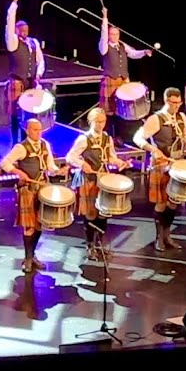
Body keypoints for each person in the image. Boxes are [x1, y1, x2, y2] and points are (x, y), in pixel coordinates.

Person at [133, 87, 186, 251]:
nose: (177, 106)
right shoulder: (156, 119)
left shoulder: (182, 117)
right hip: (161, 165)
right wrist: (153, 149)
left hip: (177, 164)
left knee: (174, 202)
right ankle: (159, 239)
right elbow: (137, 137)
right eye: (173, 103)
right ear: (166, 101)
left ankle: (167, 235)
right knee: (161, 203)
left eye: (179, 103)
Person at [65, 107, 131, 260]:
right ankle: (90, 246)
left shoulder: (107, 138)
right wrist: (82, 164)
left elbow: (111, 157)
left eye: (103, 121)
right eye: (97, 122)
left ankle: (100, 244)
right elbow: (70, 157)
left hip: (104, 179)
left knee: (103, 212)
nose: (101, 124)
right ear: (90, 122)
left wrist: (121, 163)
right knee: (91, 214)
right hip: (89, 180)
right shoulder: (84, 139)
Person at [0, 118, 66, 272]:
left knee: (39, 224)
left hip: (43, 188)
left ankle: (33, 255)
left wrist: (57, 171)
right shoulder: (21, 147)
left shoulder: (45, 145)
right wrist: (19, 172)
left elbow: (49, 166)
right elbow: (5, 163)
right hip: (28, 190)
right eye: (35, 130)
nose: (39, 132)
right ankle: (27, 259)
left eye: (40, 129)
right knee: (29, 226)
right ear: (28, 130)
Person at [97, 5, 151, 144]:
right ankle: (108, 137)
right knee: (109, 111)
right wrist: (105, 17)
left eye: (116, 34)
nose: (114, 36)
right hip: (110, 80)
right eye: (112, 34)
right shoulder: (104, 46)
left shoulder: (122, 45)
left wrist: (144, 52)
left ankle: (123, 137)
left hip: (123, 81)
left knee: (123, 111)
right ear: (108, 35)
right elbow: (103, 35)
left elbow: (133, 54)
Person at [4, 0, 45, 144]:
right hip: (17, 82)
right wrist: (14, 3)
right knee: (16, 114)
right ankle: (15, 142)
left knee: (29, 114)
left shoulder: (34, 42)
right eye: (21, 30)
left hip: (31, 82)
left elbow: (40, 61)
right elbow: (9, 22)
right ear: (16, 30)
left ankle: (27, 141)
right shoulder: (13, 42)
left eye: (26, 30)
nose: (24, 32)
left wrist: (39, 74)